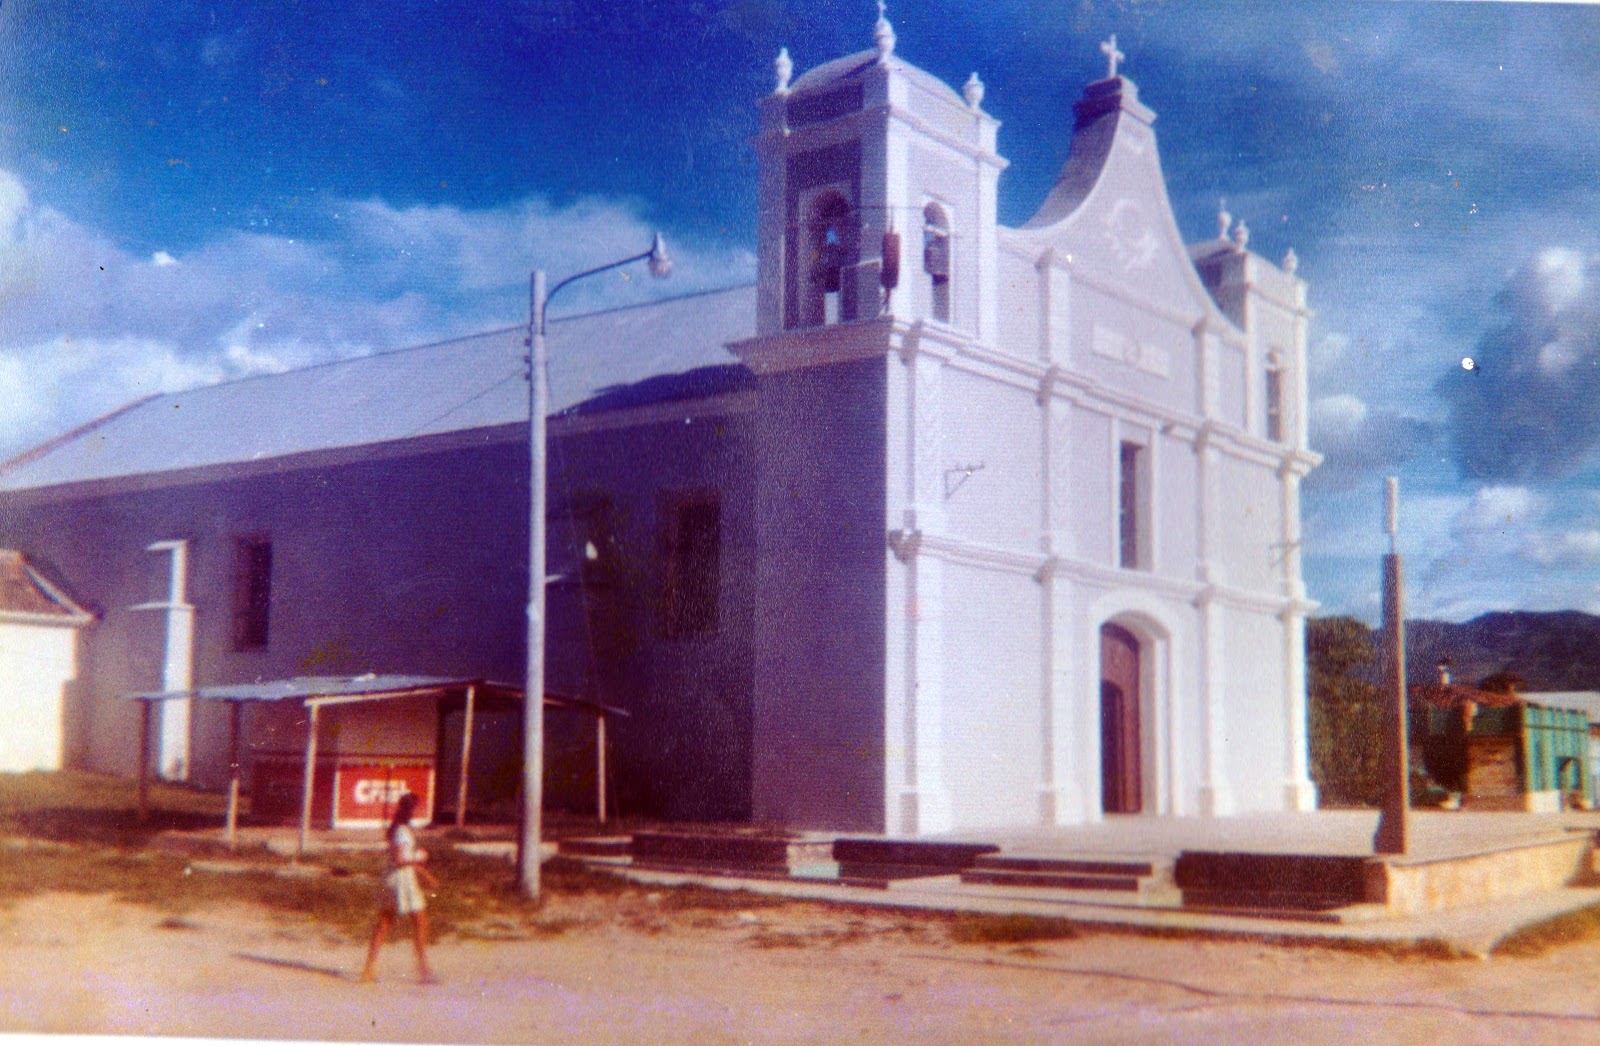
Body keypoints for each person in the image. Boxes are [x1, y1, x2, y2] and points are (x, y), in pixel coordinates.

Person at [360, 792, 440, 984]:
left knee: (385, 923)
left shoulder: (398, 829)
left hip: (393, 880)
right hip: (402, 882)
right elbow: (400, 860)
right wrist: (419, 857)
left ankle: (369, 968)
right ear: (411, 810)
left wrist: (425, 874)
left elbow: (401, 859)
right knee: (420, 921)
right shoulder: (403, 831)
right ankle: (423, 970)